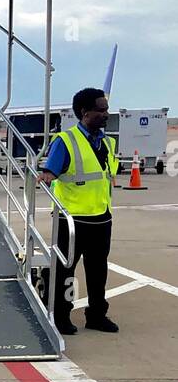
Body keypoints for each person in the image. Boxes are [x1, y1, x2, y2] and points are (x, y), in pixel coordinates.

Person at [38, 87, 119, 335]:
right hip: (71, 219)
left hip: (101, 217)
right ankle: (61, 316)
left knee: (98, 270)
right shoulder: (66, 141)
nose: (106, 114)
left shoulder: (108, 142)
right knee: (65, 270)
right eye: (101, 110)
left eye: (106, 109)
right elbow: (51, 173)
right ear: (85, 112)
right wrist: (46, 176)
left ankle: (96, 315)